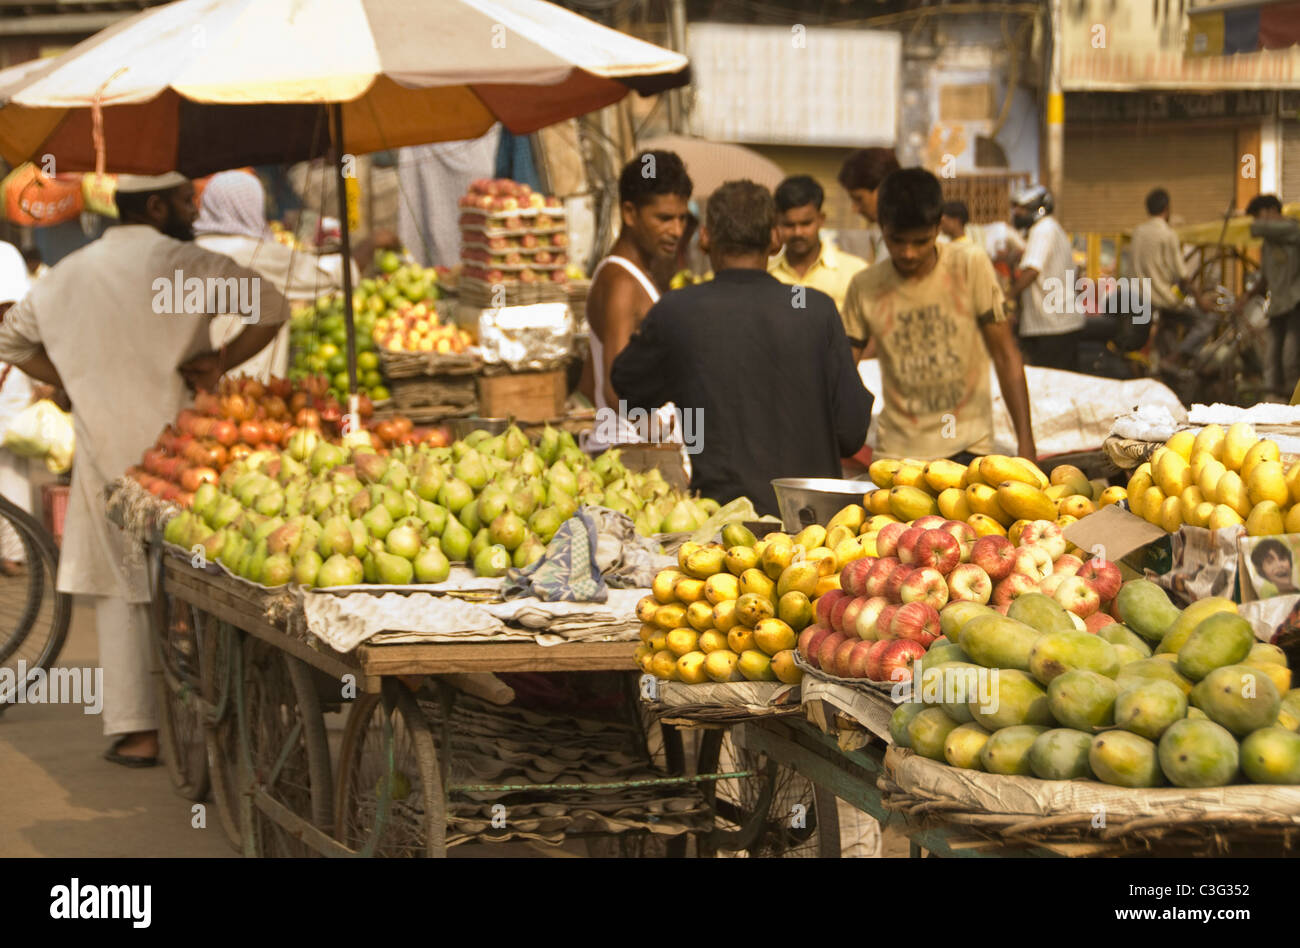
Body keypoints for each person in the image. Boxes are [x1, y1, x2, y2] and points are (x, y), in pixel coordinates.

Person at [0, 172, 287, 767]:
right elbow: (273, 309)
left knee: (121, 588)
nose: (193, 210)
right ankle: (218, 715)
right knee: (207, 585)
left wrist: (70, 380)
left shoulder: (69, 273)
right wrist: (220, 362)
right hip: (188, 455)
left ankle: (138, 731)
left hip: (106, 450)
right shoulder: (189, 265)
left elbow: (12, 341)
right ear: (156, 205)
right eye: (187, 201)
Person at [611, 179, 872, 515]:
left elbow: (629, 392)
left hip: (726, 537)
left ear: (705, 238)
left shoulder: (677, 311)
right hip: (814, 534)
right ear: (775, 239)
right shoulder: (815, 309)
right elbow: (852, 433)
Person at [842, 168, 1035, 463]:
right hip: (896, 455)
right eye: (897, 241)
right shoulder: (864, 286)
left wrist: (1026, 445)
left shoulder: (970, 264)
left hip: (968, 449)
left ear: (937, 227)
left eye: (920, 241)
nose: (908, 253)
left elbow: (1006, 356)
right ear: (881, 228)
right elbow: (843, 374)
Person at [583, 150, 692, 441]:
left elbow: (588, 380)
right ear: (630, 213)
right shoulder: (622, 283)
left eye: (682, 218)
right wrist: (660, 435)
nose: (676, 230)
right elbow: (615, 389)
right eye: (664, 218)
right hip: (633, 454)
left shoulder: (635, 275)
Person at [196, 170, 345, 381]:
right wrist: (370, 245)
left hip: (196, 377)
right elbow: (325, 277)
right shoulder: (262, 253)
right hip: (249, 386)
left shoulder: (190, 252)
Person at [1129, 188, 1217, 372]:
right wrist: (1201, 301)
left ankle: (1166, 364)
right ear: (1167, 208)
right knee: (1207, 320)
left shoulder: (1137, 232)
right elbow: (1183, 276)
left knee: (1169, 327)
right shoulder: (1168, 235)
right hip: (1162, 300)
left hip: (1138, 299)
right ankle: (1174, 358)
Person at [1006, 185, 1084, 372]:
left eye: (1022, 209)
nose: (1017, 213)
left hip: (1051, 325)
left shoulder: (1043, 229)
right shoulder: (1049, 228)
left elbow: (1032, 270)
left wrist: (1007, 297)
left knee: (1052, 384)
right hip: (1057, 323)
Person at [767, 175, 868, 312]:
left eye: (806, 223)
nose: (798, 232)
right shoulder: (767, 273)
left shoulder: (854, 273)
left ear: (821, 219)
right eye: (789, 225)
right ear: (777, 223)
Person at [1240, 195, 1300, 399]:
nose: (1258, 221)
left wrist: (1245, 220)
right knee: (1271, 362)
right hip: (1277, 307)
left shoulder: (1293, 230)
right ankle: (1273, 407)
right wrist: (1245, 297)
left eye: (1260, 215)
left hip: (1295, 306)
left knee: (1290, 360)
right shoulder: (1268, 243)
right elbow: (1264, 278)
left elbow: (1258, 228)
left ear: (1272, 210)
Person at [0, 242, 35, 576]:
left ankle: (12, 550)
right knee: (10, 468)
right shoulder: (7, 254)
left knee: (10, 466)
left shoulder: (6, 255)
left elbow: (10, 310)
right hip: (11, 370)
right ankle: (12, 551)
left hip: (7, 369)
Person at [838, 148, 900, 265]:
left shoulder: (903, 242)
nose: (855, 209)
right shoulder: (883, 236)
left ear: (883, 189)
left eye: (859, 199)